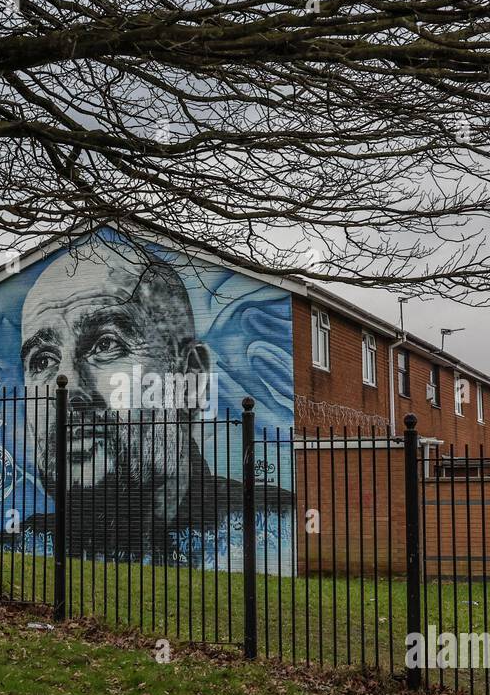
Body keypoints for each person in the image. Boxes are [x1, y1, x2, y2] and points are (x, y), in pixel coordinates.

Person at [17, 238, 290, 564]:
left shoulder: (274, 525)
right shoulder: (24, 545)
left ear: (190, 378)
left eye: (106, 344)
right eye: (43, 360)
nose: (69, 389)